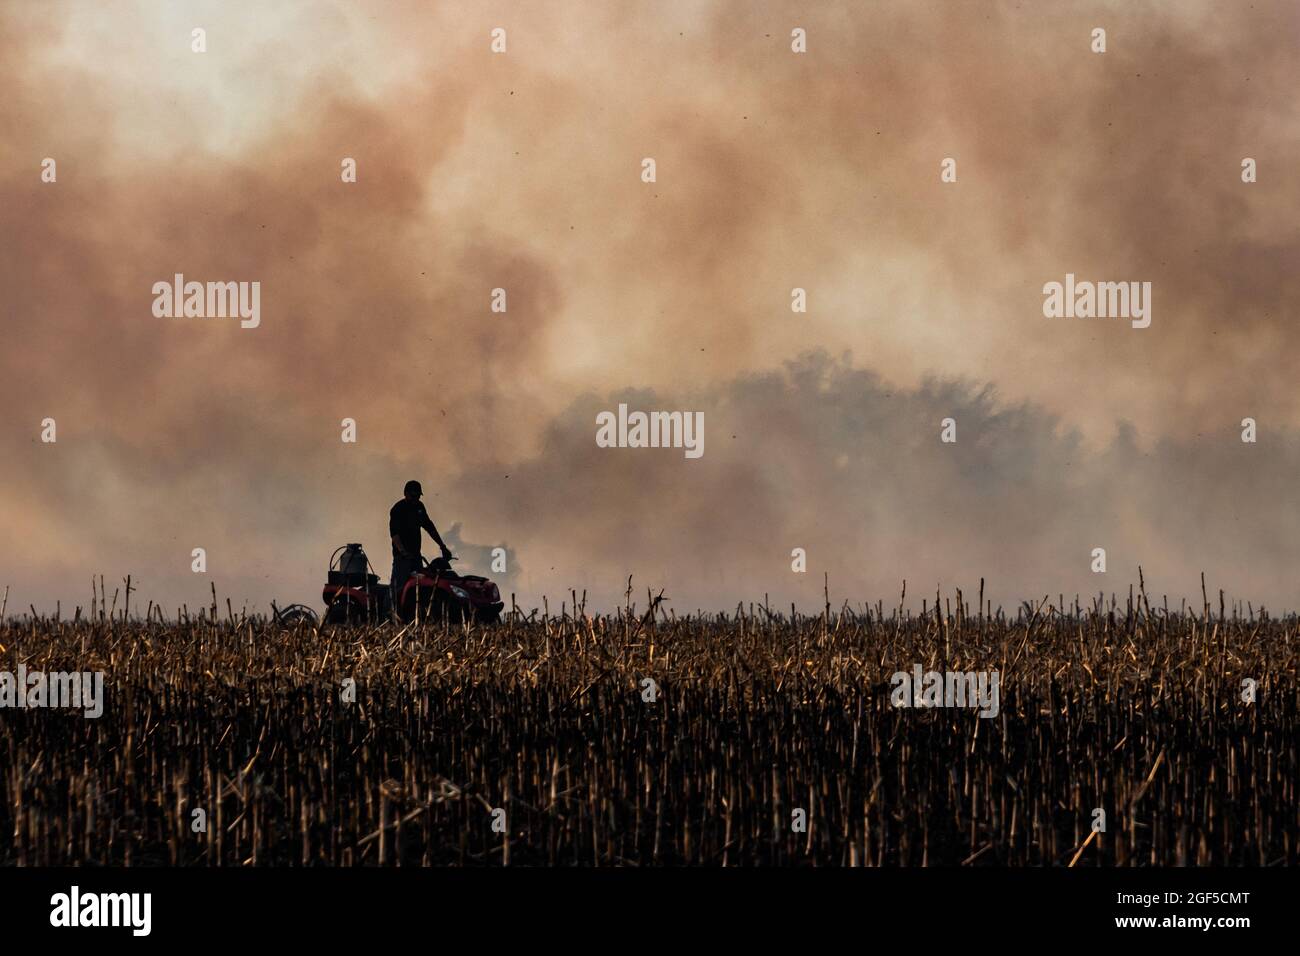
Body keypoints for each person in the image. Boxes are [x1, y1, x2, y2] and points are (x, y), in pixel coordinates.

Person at [389, 480, 452, 607]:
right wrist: (403, 552)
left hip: (416, 556)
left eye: (418, 496)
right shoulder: (398, 509)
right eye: (413, 495)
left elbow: (430, 527)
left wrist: (443, 546)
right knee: (398, 587)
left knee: (420, 586)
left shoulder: (419, 507)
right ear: (406, 493)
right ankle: (389, 611)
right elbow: (394, 535)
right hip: (402, 558)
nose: (416, 499)